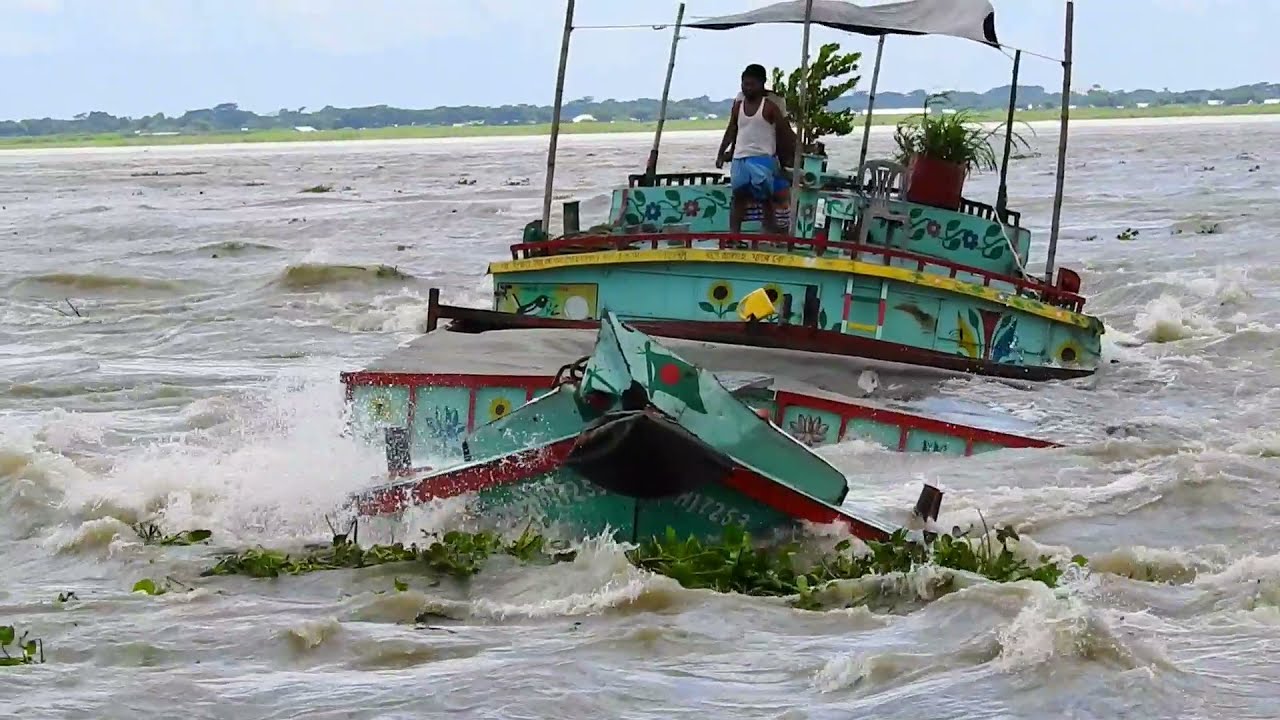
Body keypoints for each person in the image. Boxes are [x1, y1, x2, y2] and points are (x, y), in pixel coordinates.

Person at [716, 64, 796, 234]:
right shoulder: (738, 105)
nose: (747, 88)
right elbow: (732, 129)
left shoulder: (770, 107)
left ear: (762, 84)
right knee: (738, 197)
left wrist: (791, 155)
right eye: (744, 84)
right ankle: (734, 235)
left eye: (752, 84)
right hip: (740, 158)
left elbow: (785, 132)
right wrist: (721, 152)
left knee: (765, 197)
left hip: (763, 158)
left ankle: (769, 230)